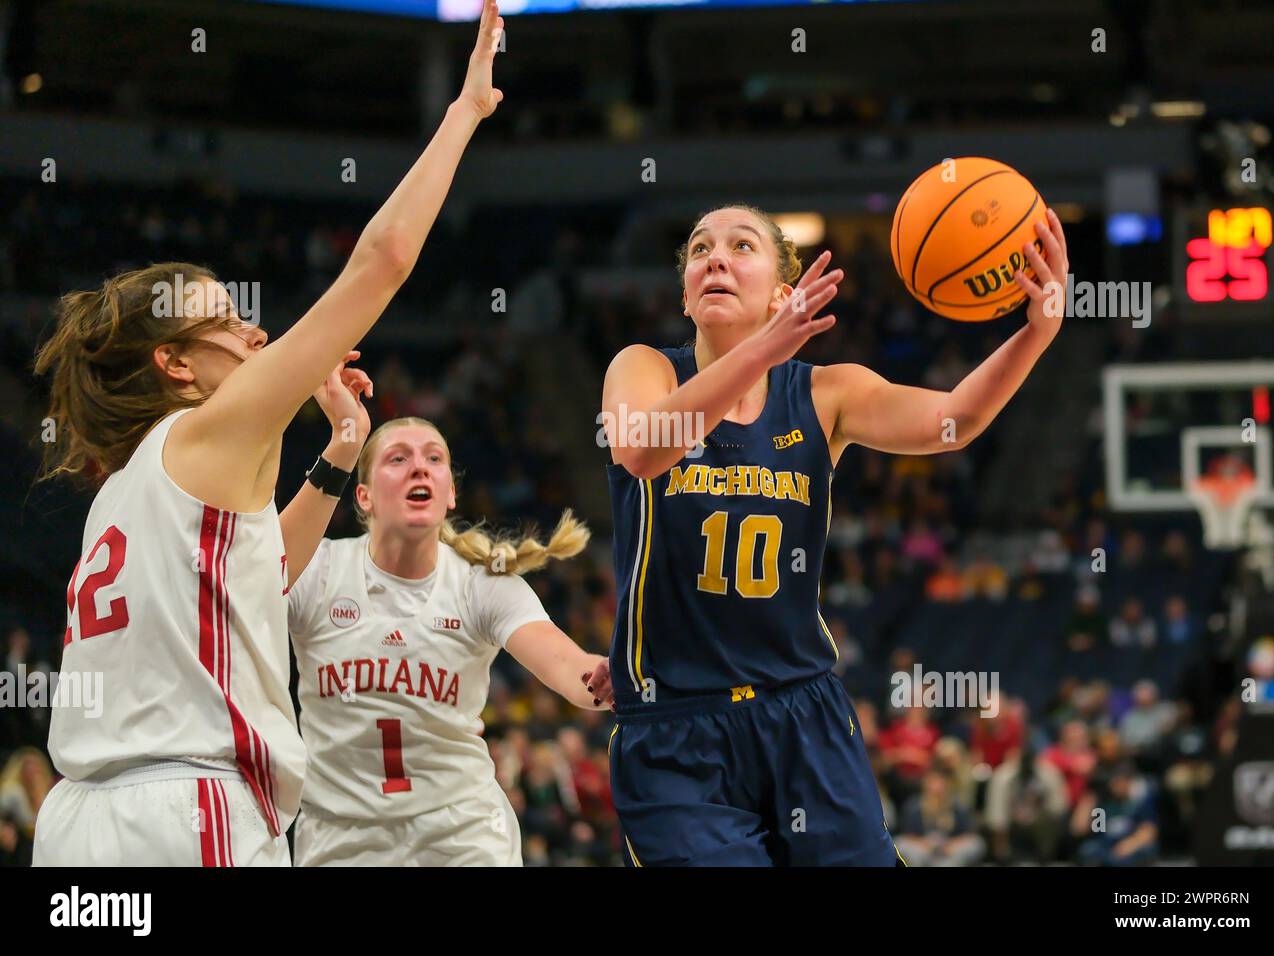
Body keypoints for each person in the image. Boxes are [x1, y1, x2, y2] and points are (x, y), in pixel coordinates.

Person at [29, 0, 507, 866]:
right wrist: (464, 111)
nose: (258, 334)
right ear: (176, 364)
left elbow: (255, 581)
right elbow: (383, 260)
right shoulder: (210, 431)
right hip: (189, 806)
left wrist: (336, 458)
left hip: (77, 828)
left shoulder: (128, 489)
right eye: (230, 321)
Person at [595, 201, 1069, 865]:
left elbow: (953, 421)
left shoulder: (825, 394)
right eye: (700, 249)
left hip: (802, 713)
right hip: (677, 733)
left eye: (740, 246)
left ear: (783, 294)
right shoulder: (643, 368)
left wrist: (1037, 333)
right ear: (685, 293)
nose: (716, 258)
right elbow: (644, 449)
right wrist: (763, 346)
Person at [286, 417, 610, 866]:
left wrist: (603, 678)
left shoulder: (482, 584)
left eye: (433, 458)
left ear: (450, 493)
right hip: (340, 836)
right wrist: (341, 437)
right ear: (363, 496)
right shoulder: (317, 570)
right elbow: (240, 586)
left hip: (462, 832)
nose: (419, 467)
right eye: (398, 458)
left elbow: (569, 667)